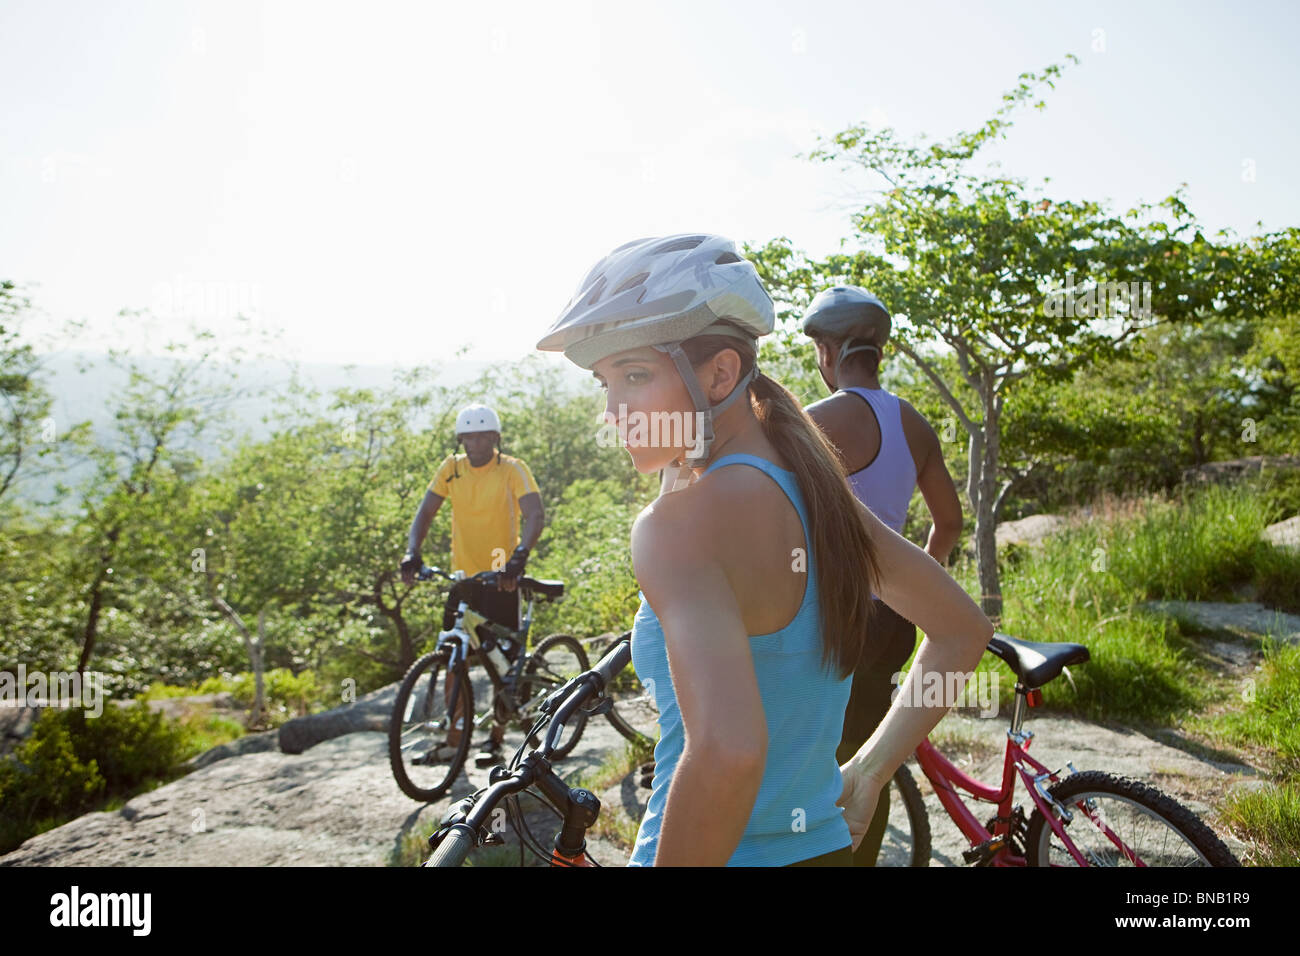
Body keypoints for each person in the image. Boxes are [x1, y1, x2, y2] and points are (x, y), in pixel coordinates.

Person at [536, 233, 992, 866]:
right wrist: (866, 773)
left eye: (634, 376)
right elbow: (962, 629)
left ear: (721, 372)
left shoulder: (676, 526)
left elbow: (728, 753)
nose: (612, 412)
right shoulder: (816, 491)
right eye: (604, 382)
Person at [802, 284, 965, 866]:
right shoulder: (915, 424)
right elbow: (949, 522)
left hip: (829, 618)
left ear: (826, 349)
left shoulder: (812, 422)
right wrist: (914, 592)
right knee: (872, 757)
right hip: (890, 621)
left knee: (814, 761)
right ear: (876, 349)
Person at [400, 403, 545, 768]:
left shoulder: (512, 469)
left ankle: (495, 741)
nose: (475, 443)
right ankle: (453, 741)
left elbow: (535, 514)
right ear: (460, 439)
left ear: (495, 438)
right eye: (468, 436)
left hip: (501, 580)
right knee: (453, 659)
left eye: (483, 436)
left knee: (505, 667)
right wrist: (412, 552)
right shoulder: (451, 469)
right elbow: (426, 512)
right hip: (464, 581)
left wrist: (519, 557)